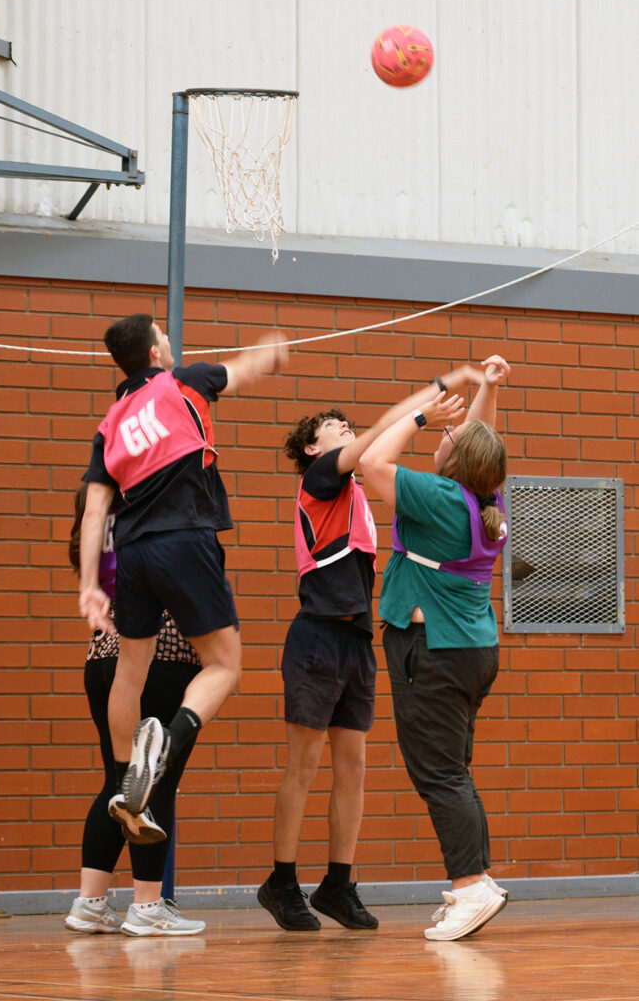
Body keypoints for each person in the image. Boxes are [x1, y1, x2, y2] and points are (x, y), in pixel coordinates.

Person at [257, 367, 481, 932]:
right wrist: (432, 398)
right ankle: (281, 881)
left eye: (346, 425)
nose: (345, 429)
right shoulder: (319, 477)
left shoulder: (357, 489)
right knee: (303, 767)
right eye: (335, 426)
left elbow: (384, 438)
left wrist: (446, 404)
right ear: (313, 446)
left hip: (356, 639)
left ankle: (338, 883)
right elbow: (382, 432)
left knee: (352, 769)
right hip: (316, 635)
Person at [79, 314, 287, 832]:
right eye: (163, 334)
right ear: (153, 352)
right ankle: (165, 743)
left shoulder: (110, 425)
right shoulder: (183, 382)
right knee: (223, 666)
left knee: (130, 669)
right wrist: (273, 346)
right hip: (185, 540)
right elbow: (245, 369)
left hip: (131, 555)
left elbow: (94, 511)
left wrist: (88, 586)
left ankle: (130, 781)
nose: (170, 340)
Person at [360, 355, 511, 942]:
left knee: (440, 775)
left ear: (454, 460)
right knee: (453, 772)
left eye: (449, 437)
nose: (444, 435)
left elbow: (373, 461)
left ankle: (472, 886)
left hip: (435, 651)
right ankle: (476, 883)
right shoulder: (480, 498)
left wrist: (421, 414)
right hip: (470, 651)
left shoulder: (441, 500)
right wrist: (488, 391)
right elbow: (477, 443)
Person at [65, 485, 206, 937]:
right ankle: (147, 906)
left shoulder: (96, 532)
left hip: (102, 659)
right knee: (153, 779)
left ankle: (90, 901)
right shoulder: (151, 523)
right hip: (159, 656)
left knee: (118, 780)